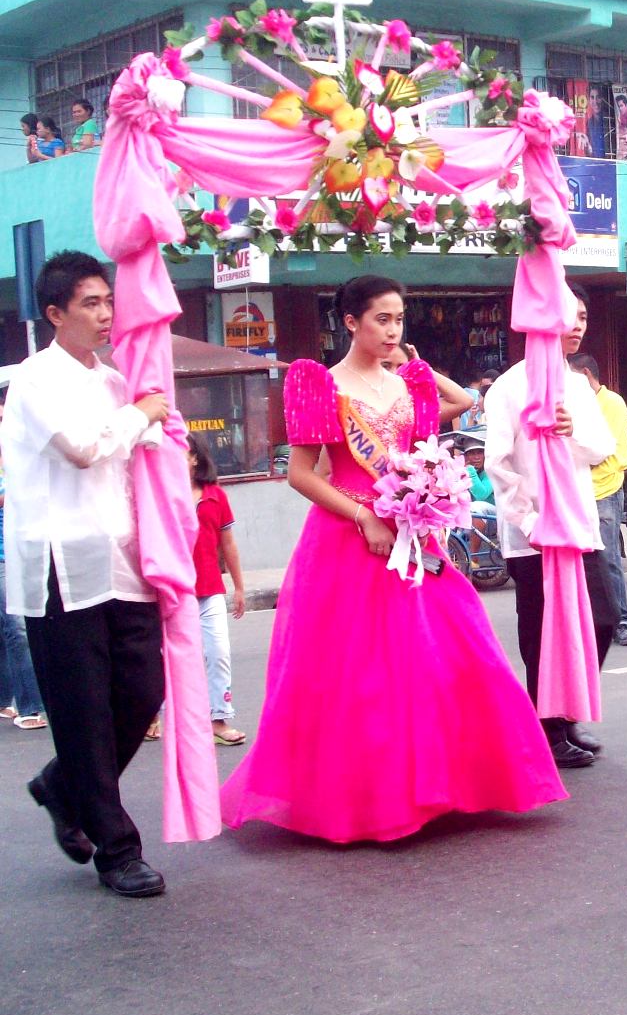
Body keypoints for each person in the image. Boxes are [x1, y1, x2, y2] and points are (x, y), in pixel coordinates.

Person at [221, 275, 567, 840]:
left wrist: (418, 366)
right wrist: (362, 516)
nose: (392, 329)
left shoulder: (409, 384)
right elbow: (300, 473)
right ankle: (365, 798)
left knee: (448, 654)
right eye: (381, 319)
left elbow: (461, 402)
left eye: (399, 319)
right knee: (360, 674)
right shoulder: (320, 384)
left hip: (413, 533)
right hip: (347, 540)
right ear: (349, 322)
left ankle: (448, 784)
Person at [3, 250, 171, 897]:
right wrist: (142, 415)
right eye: (90, 304)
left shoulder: (116, 379)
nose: (106, 314)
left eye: (109, 301)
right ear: (55, 313)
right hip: (58, 567)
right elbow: (81, 448)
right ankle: (116, 847)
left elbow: (149, 450)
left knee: (140, 692)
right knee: (83, 714)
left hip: (122, 560)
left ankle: (59, 785)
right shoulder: (34, 380)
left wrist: (146, 415)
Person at [484, 288, 617, 768]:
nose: (577, 324)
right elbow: (497, 466)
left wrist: (570, 431)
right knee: (541, 633)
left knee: (600, 620)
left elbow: (601, 447)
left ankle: (565, 713)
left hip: (577, 524)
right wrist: (529, 519)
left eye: (582, 316)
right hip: (535, 534)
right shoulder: (509, 388)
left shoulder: (577, 385)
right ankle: (545, 729)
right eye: (567, 316)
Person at [569, 351, 627, 647]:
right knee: (578, 563)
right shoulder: (574, 403)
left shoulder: (610, 403)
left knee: (607, 559)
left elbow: (604, 449)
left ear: (585, 375)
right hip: (575, 490)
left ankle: (622, 622)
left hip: (603, 490)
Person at [185, 434, 247, 746]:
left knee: (218, 653)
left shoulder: (215, 496)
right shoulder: (164, 495)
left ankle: (219, 719)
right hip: (173, 594)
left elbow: (229, 545)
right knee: (168, 661)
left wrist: (238, 587)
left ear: (195, 458)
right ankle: (156, 717)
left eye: (181, 451)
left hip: (209, 588)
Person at [0, 410, 46, 730]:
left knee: (8, 633)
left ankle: (4, 701)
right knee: (17, 630)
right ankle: (30, 707)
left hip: (20, 555)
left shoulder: (16, 458)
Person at [381, 343, 475, 425]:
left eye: (401, 366)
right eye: (385, 366)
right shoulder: (366, 407)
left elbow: (465, 401)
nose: (394, 373)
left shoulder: (414, 410)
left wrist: (422, 367)